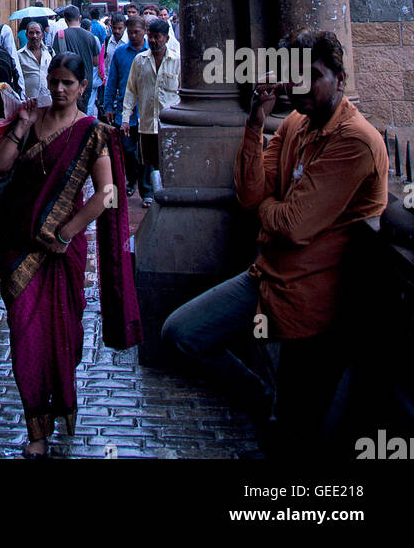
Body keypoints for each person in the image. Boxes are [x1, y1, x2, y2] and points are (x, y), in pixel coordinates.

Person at [161, 31, 388, 456]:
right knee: (182, 333)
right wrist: (253, 121)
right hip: (266, 277)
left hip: (313, 301)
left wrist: (268, 207)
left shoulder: (354, 140)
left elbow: (294, 225)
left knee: (295, 434)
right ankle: (260, 399)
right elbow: (249, 194)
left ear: (340, 79)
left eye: (313, 76)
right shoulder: (296, 124)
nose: (300, 87)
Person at [0, 53, 141, 456]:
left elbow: (107, 195)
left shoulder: (92, 133)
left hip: (61, 251)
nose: (58, 89)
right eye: (54, 81)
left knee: (63, 335)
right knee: (25, 334)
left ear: (83, 86)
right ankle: (36, 429)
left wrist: (67, 231)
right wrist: (18, 125)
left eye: (68, 83)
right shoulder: (31, 120)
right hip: (19, 245)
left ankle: (58, 407)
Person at [120, 16, 180, 207]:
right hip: (147, 123)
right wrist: (125, 118)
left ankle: (167, 193)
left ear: (166, 39)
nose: (153, 41)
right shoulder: (140, 61)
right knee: (149, 162)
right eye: (151, 37)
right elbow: (131, 91)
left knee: (169, 162)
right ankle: (149, 194)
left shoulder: (177, 61)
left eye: (158, 37)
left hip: (170, 123)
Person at [102, 15, 149, 199]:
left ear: (144, 31)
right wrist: (108, 106)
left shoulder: (151, 51)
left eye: (137, 32)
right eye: (130, 33)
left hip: (146, 110)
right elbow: (112, 80)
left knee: (145, 151)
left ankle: (146, 190)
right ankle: (132, 179)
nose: (134, 36)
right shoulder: (120, 53)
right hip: (125, 110)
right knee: (128, 150)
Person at [51, 5, 99, 113]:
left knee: (67, 114)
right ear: (79, 18)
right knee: (82, 113)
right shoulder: (90, 36)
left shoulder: (60, 35)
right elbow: (95, 62)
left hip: (66, 83)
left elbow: (56, 60)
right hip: (86, 82)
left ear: (66, 19)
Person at [17, 20, 52, 105]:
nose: (34, 36)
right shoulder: (19, 55)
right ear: (26, 35)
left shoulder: (50, 52)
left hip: (48, 103)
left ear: (42, 35)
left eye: (37, 33)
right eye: (31, 33)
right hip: (29, 104)